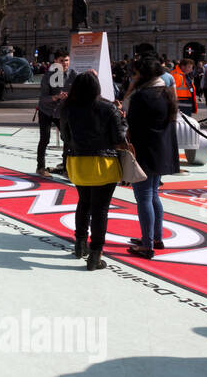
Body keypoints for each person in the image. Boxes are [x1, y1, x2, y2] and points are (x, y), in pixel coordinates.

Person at [59, 71, 127, 271]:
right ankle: (96, 254)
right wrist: (123, 119)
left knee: (84, 202)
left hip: (78, 162)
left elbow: (65, 136)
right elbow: (118, 138)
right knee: (100, 209)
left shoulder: (67, 108)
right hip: (103, 162)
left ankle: (80, 244)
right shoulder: (108, 108)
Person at [124, 55, 180, 258]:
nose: (133, 77)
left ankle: (146, 245)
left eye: (136, 74)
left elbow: (129, 121)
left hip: (144, 151)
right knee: (154, 194)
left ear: (143, 75)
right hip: (162, 150)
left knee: (144, 197)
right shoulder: (166, 93)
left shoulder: (141, 96)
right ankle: (156, 237)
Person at [36, 52, 74, 177]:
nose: (65, 63)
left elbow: (82, 86)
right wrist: (56, 97)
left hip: (62, 112)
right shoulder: (48, 76)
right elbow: (43, 98)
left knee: (67, 139)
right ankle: (40, 167)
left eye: (67, 60)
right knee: (45, 139)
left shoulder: (73, 75)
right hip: (46, 110)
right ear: (56, 62)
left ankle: (66, 168)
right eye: (62, 60)